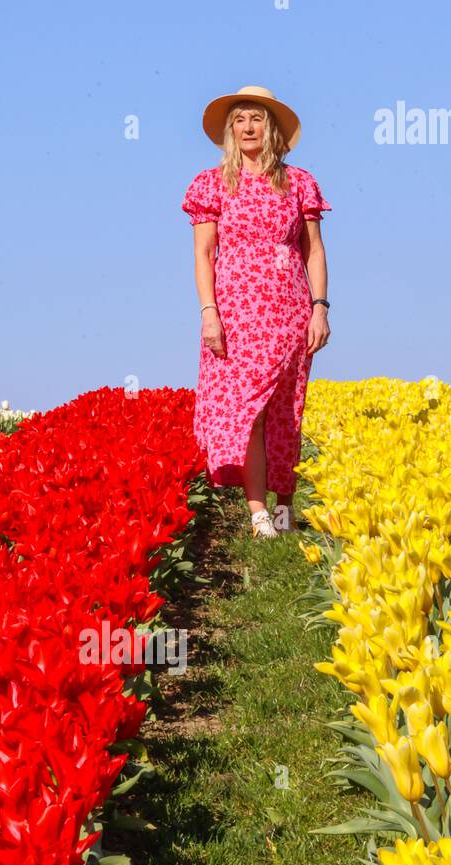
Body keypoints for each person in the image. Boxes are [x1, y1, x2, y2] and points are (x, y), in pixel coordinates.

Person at [181, 85, 331, 539]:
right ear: (230, 131)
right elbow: (203, 254)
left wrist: (319, 308)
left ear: (272, 130)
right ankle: (259, 514)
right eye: (240, 120)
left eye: (257, 119)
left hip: (288, 308)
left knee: (286, 408)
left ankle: (284, 511)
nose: (248, 127)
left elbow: (315, 251)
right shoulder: (212, 184)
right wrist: (209, 312)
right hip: (235, 311)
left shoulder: (299, 182)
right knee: (250, 409)